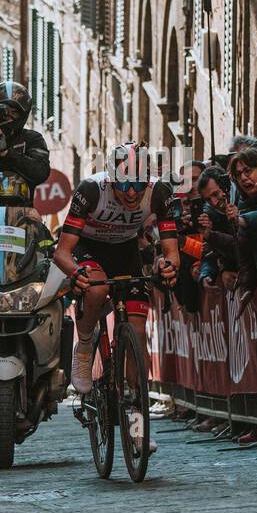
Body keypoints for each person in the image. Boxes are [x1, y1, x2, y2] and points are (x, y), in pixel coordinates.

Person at [53, 144, 180, 406]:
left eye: (138, 185)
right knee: (97, 289)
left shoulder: (160, 192)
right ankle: (85, 345)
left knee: (137, 330)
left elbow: (171, 253)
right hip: (88, 247)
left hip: (125, 251)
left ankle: (136, 418)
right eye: (123, 185)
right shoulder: (90, 190)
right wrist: (77, 273)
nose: (132, 193)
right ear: (110, 181)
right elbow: (62, 253)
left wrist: (166, 267)